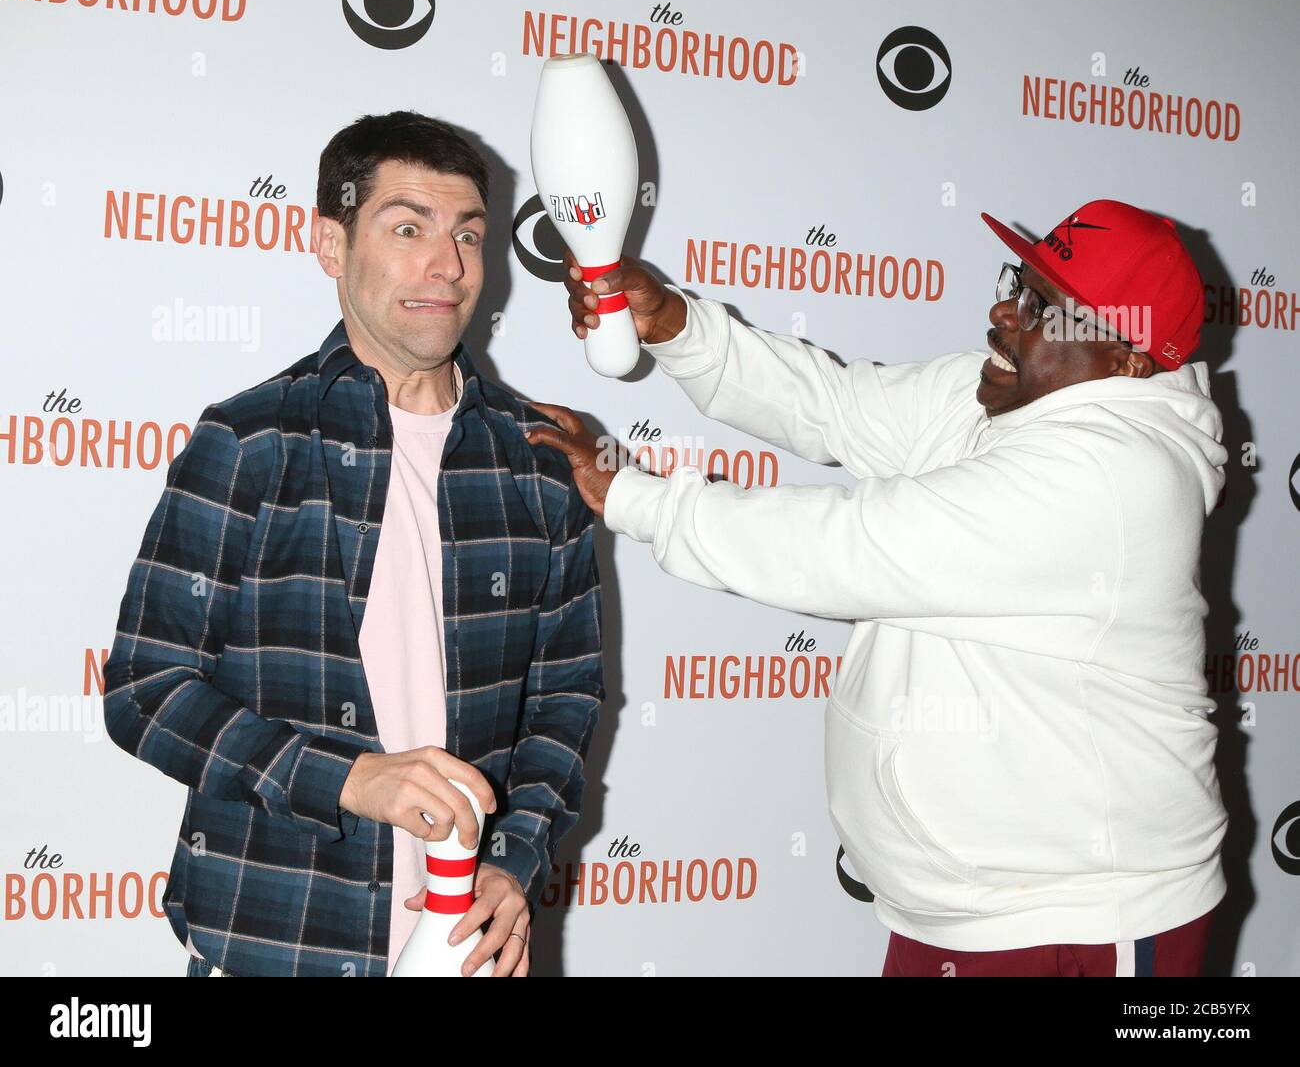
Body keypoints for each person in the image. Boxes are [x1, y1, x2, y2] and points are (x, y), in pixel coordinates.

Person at [526, 200, 1226, 977]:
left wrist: (633, 495)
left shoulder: (1114, 475)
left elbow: (850, 547)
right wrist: (677, 326)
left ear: (1128, 361)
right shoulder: (1007, 394)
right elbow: (836, 407)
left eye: (1040, 307)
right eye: (1017, 284)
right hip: (961, 911)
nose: (1003, 311)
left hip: (1081, 920)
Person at [104, 111, 604, 977]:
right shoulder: (250, 443)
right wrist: (346, 778)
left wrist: (514, 859)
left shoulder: (538, 463)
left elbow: (566, 698)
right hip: (274, 939)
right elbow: (144, 691)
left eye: (468, 236)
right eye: (408, 228)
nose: (446, 266)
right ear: (331, 246)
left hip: (464, 949)